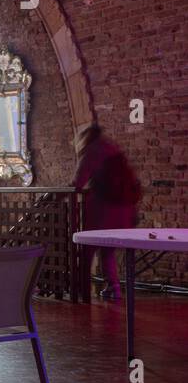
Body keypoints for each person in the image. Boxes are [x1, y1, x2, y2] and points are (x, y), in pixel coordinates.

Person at [73, 124, 142, 302]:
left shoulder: (91, 152)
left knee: (87, 248)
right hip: (124, 208)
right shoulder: (113, 148)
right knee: (107, 250)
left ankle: (82, 288)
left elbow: (78, 182)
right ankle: (114, 287)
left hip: (103, 209)